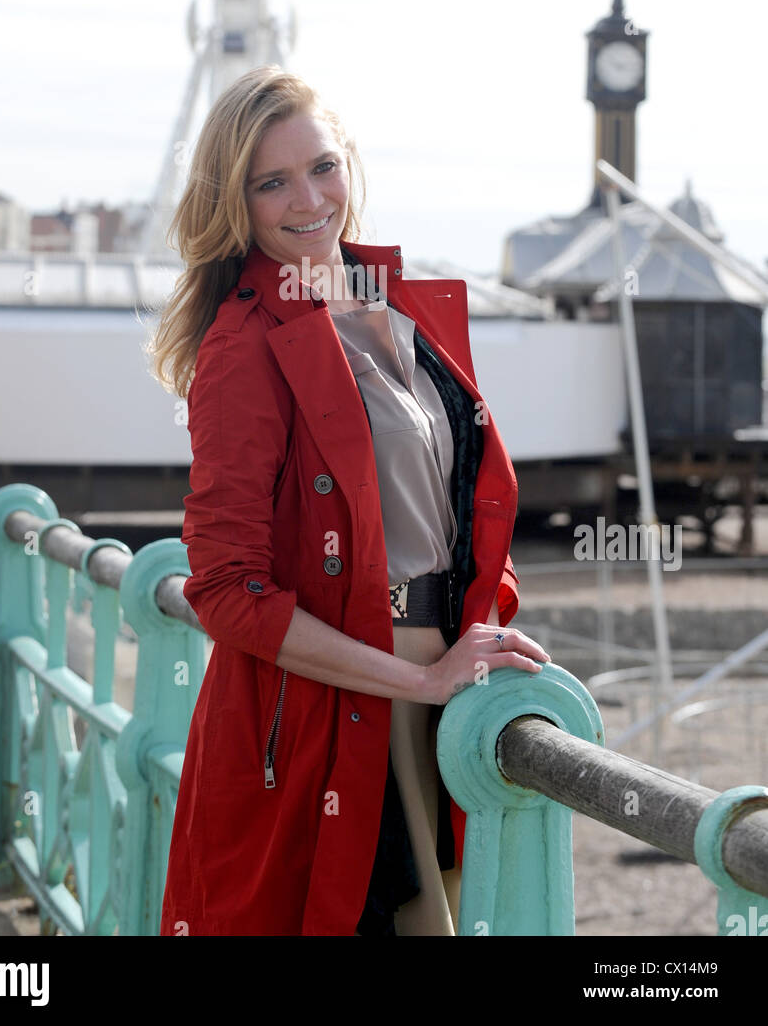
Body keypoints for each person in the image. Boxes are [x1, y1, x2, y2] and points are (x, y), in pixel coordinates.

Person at [150, 65, 550, 937]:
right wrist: (419, 673)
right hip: (342, 700)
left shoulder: (401, 306)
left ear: (350, 165)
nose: (308, 198)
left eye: (322, 166)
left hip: (450, 683)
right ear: (237, 202)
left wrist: (479, 629)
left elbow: (457, 501)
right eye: (272, 181)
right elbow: (223, 590)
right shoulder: (243, 349)